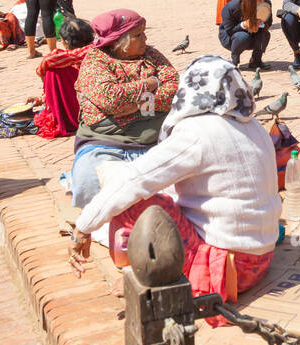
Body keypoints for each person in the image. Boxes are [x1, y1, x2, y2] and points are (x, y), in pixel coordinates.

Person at [67, 55, 282, 322]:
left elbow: (132, 181)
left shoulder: (196, 132)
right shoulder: (254, 126)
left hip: (225, 267)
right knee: (154, 195)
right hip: (261, 261)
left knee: (135, 201)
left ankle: (140, 274)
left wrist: (83, 228)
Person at [65, 9, 179, 226]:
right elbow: (111, 99)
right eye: (138, 35)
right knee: (92, 180)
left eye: (143, 33)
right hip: (106, 143)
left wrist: (131, 104)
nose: (145, 39)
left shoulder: (153, 55)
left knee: (177, 183)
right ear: (118, 41)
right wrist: (151, 84)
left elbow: (173, 89)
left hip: (154, 141)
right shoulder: (95, 62)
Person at [29, 15, 94, 139]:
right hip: (87, 99)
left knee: (53, 70)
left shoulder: (90, 51)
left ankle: (63, 118)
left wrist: (42, 70)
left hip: (88, 104)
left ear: (66, 42)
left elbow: (49, 60)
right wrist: (42, 98)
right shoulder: (90, 49)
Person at [218, 0, 273, 70]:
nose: (262, 2)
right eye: (258, 0)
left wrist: (262, 24)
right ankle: (234, 61)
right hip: (231, 37)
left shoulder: (266, 4)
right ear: (248, 0)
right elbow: (229, 30)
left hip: (254, 35)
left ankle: (256, 61)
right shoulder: (231, 8)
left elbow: (269, 22)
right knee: (242, 37)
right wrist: (244, 25)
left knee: (265, 35)